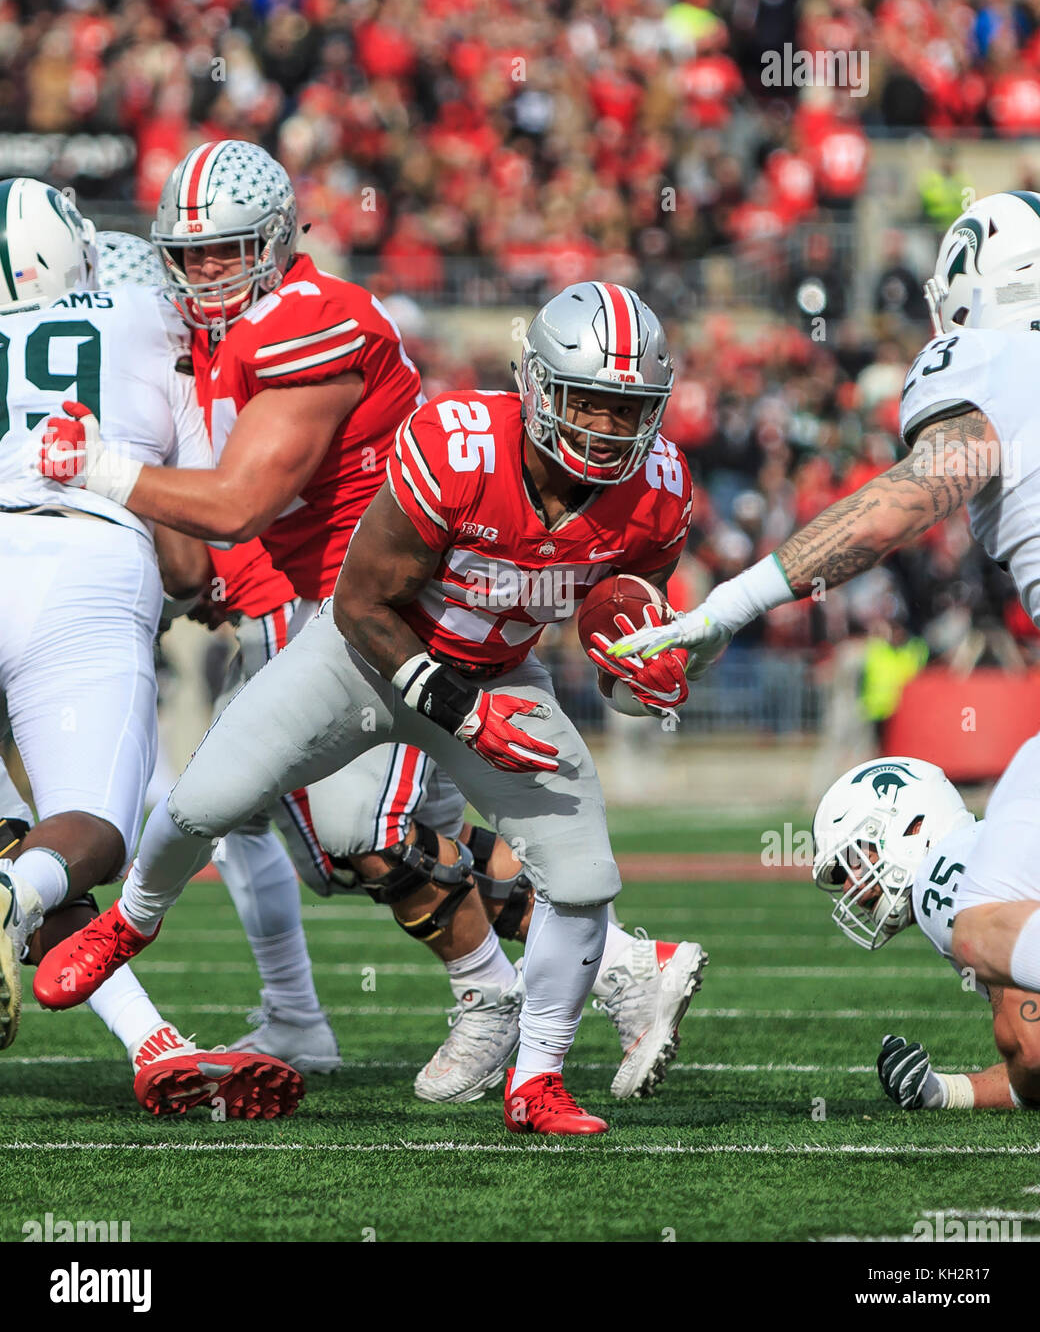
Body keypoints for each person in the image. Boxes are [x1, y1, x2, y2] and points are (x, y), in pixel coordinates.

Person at [35, 280, 700, 1134]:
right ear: (536, 386)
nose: (605, 429)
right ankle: (128, 924)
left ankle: (535, 1078)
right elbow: (358, 604)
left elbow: (621, 639)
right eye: (587, 402)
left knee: (584, 875)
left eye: (626, 408)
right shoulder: (460, 447)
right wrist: (459, 711)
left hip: (498, 674)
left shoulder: (659, 492)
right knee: (204, 800)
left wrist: (638, 681)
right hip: (360, 657)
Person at [611, 189, 1040, 998]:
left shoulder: (991, 361)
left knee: (978, 917)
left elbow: (902, 506)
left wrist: (729, 606)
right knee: (993, 910)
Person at [0, 183, 302, 1118]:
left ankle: (151, 1040)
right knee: (89, 833)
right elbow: (184, 533)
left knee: (21, 830)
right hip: (83, 562)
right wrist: (208, 585)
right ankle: (16, 897)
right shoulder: (149, 313)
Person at [813, 754, 1040, 1111]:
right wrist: (941, 1091)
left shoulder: (941, 870)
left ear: (912, 828)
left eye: (854, 860)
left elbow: (1032, 1052)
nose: (848, 886)